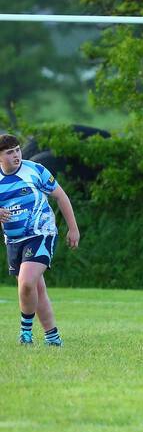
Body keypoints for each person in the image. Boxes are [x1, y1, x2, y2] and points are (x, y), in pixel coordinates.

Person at [0, 133, 80, 347]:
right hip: (14, 241)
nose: (16, 155)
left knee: (26, 283)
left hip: (41, 233)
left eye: (17, 150)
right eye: (9, 153)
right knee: (36, 289)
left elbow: (61, 196)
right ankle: (52, 337)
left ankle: (25, 333)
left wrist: (73, 228)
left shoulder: (35, 170)